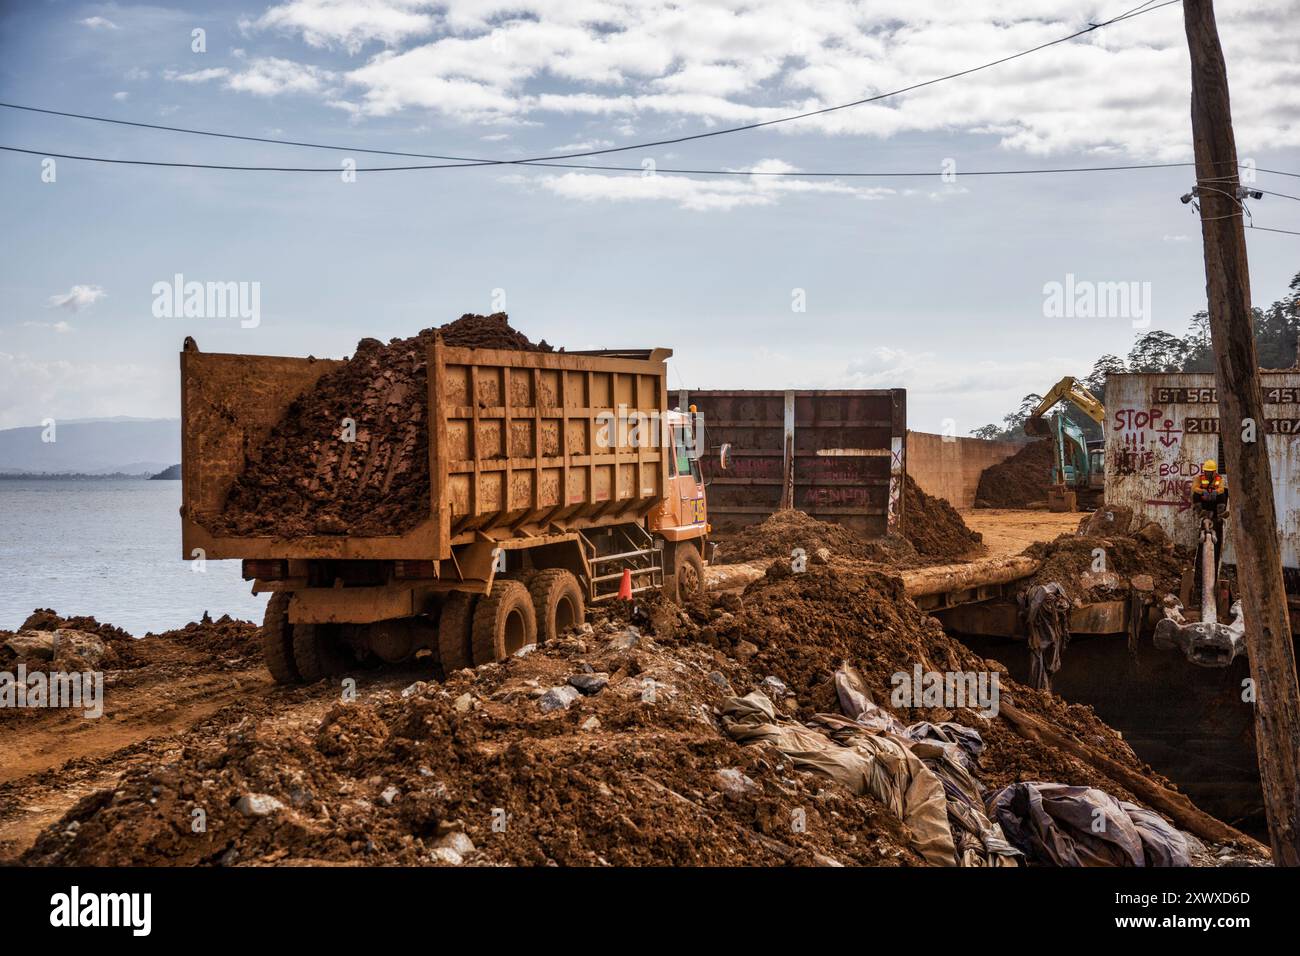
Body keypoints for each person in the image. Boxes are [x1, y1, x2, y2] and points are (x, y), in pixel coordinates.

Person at [1190, 458, 1229, 573]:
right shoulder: (1199, 479)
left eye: (1209, 472)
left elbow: (1221, 489)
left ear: (1213, 472)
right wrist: (1204, 492)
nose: (1207, 473)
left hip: (1214, 501)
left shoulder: (1218, 479)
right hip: (1204, 501)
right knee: (1195, 495)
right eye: (1206, 471)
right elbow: (1194, 488)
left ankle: (1220, 513)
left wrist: (1215, 492)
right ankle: (1202, 512)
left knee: (1224, 494)